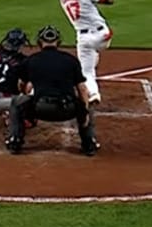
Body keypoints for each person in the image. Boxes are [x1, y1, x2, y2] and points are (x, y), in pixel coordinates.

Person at [5, 25, 99, 156]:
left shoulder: (31, 60)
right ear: (58, 41)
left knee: (17, 102)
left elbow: (21, 84)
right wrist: (84, 112)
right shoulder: (71, 60)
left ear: (39, 42)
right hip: (68, 109)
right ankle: (89, 144)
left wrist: (26, 96)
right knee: (87, 103)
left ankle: (15, 140)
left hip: (41, 109)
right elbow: (82, 89)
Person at [57, 0, 121, 107]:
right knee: (93, 56)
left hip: (85, 40)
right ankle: (93, 88)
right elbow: (108, 0)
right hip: (103, 36)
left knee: (87, 71)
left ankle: (94, 94)